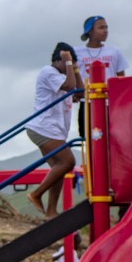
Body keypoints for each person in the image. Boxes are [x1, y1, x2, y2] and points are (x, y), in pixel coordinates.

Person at [24, 43, 84, 217]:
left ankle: (51, 211)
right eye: (66, 63)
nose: (69, 68)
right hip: (43, 128)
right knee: (68, 162)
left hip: (53, 131)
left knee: (59, 169)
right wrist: (67, 63)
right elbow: (70, 86)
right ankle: (36, 194)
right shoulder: (48, 72)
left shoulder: (65, 75)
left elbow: (79, 93)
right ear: (58, 60)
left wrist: (76, 68)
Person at [74, 15, 129, 83]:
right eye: (101, 28)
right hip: (85, 93)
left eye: (106, 28)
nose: (105, 31)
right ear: (90, 31)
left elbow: (122, 79)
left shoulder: (114, 51)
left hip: (109, 93)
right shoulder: (76, 52)